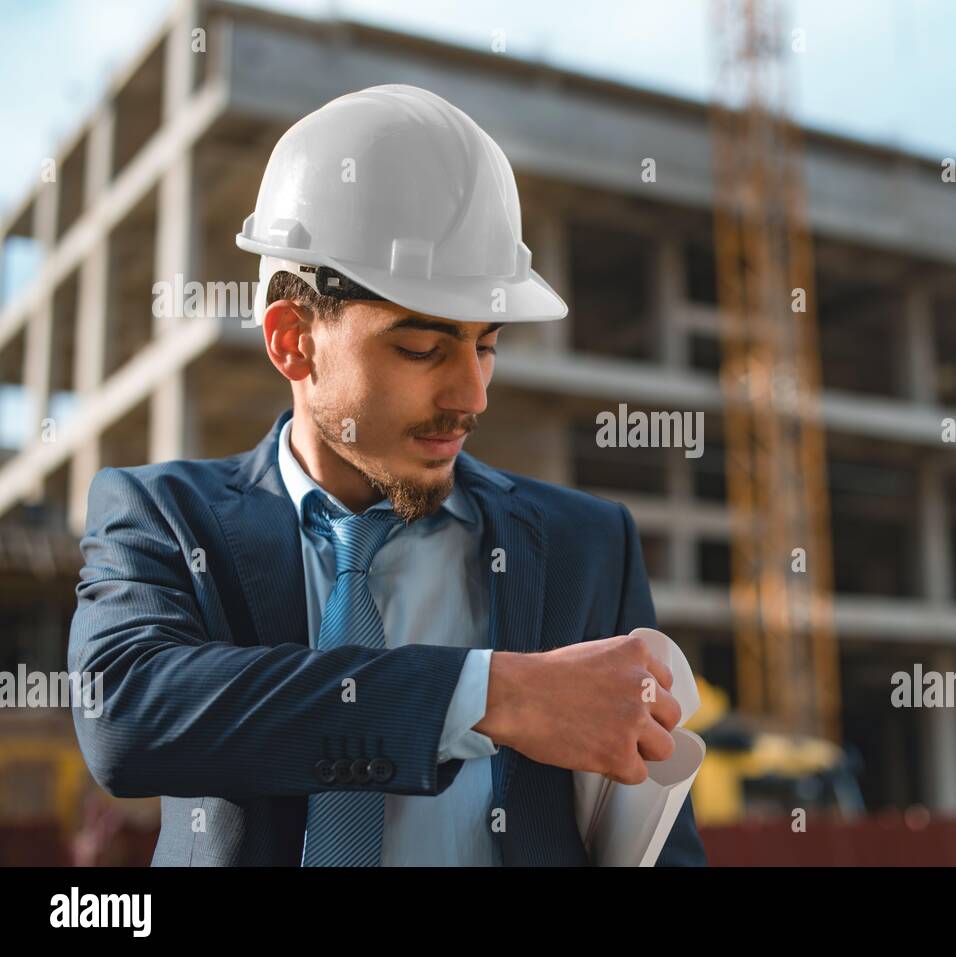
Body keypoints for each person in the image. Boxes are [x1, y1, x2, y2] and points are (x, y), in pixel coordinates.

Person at [67, 84, 707, 867]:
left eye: (487, 344)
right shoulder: (163, 515)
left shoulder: (587, 546)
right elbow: (127, 714)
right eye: (422, 349)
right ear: (293, 341)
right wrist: (491, 695)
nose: (471, 394)